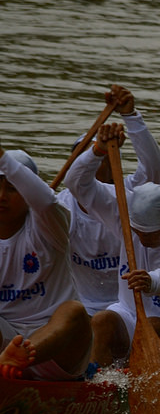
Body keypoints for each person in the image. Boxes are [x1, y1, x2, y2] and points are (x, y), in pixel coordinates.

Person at [67, 123, 160, 366]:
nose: (140, 240)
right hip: (127, 314)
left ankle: (136, 381)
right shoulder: (125, 211)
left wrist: (152, 281)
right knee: (102, 320)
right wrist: (97, 150)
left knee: (155, 326)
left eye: (148, 235)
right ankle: (97, 382)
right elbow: (76, 183)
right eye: (136, 232)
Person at [57, 85, 160, 317]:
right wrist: (97, 149)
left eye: (103, 155)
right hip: (82, 308)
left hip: (131, 306)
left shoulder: (130, 195)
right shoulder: (62, 207)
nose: (94, 162)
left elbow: (156, 172)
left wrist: (131, 116)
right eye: (88, 156)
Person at [0, 143, 92, 380]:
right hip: (5, 344)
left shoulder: (50, 225)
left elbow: (47, 202)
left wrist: (3, 158)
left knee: (74, 311)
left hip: (56, 351)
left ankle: (21, 356)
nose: (1, 196)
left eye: (12, 188)